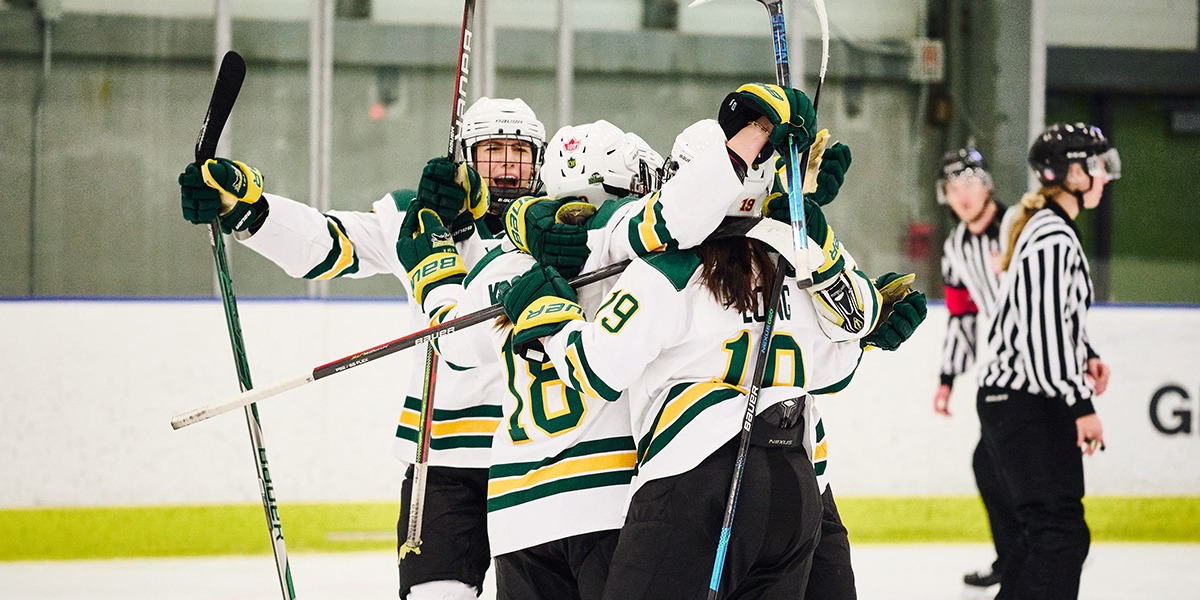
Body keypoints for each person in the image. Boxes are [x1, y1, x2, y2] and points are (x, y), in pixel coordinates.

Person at [498, 84, 928, 599]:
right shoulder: (791, 269)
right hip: (796, 483)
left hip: (697, 473)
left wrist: (550, 319)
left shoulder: (667, 269)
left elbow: (597, 368)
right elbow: (836, 364)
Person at [177, 96, 546, 600]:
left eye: (519, 152)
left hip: (537, 456)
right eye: (492, 151)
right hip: (441, 461)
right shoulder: (416, 218)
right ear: (465, 156)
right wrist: (248, 211)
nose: (506, 166)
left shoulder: (556, 227)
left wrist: (471, 224)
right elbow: (328, 244)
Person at [976, 122, 1118, 599]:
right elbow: (1045, 337)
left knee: (1044, 537)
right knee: (1059, 535)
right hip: (1026, 402)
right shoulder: (1053, 236)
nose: (1105, 176)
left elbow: (1049, 319)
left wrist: (1086, 353)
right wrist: (1081, 405)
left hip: (1017, 400)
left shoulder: (1045, 229)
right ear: (1072, 173)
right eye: (1097, 166)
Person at [930, 148, 1020, 591]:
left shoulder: (1020, 227)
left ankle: (1036, 554)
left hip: (1040, 366)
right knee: (989, 464)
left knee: (1009, 464)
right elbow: (962, 317)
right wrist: (947, 379)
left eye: (968, 183)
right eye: (952, 188)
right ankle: (1014, 559)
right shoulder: (955, 248)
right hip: (1004, 369)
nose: (962, 195)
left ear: (987, 186)